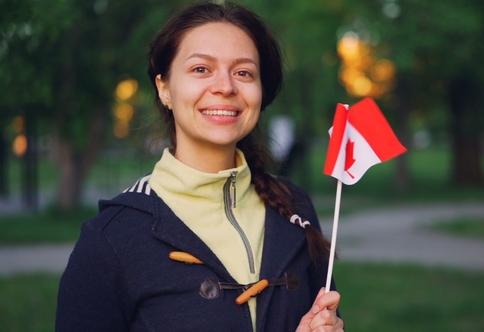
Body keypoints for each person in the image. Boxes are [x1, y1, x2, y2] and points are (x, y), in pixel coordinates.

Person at [55, 1, 344, 331]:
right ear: (164, 88)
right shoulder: (109, 239)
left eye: (243, 72)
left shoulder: (295, 205)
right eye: (201, 69)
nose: (225, 86)